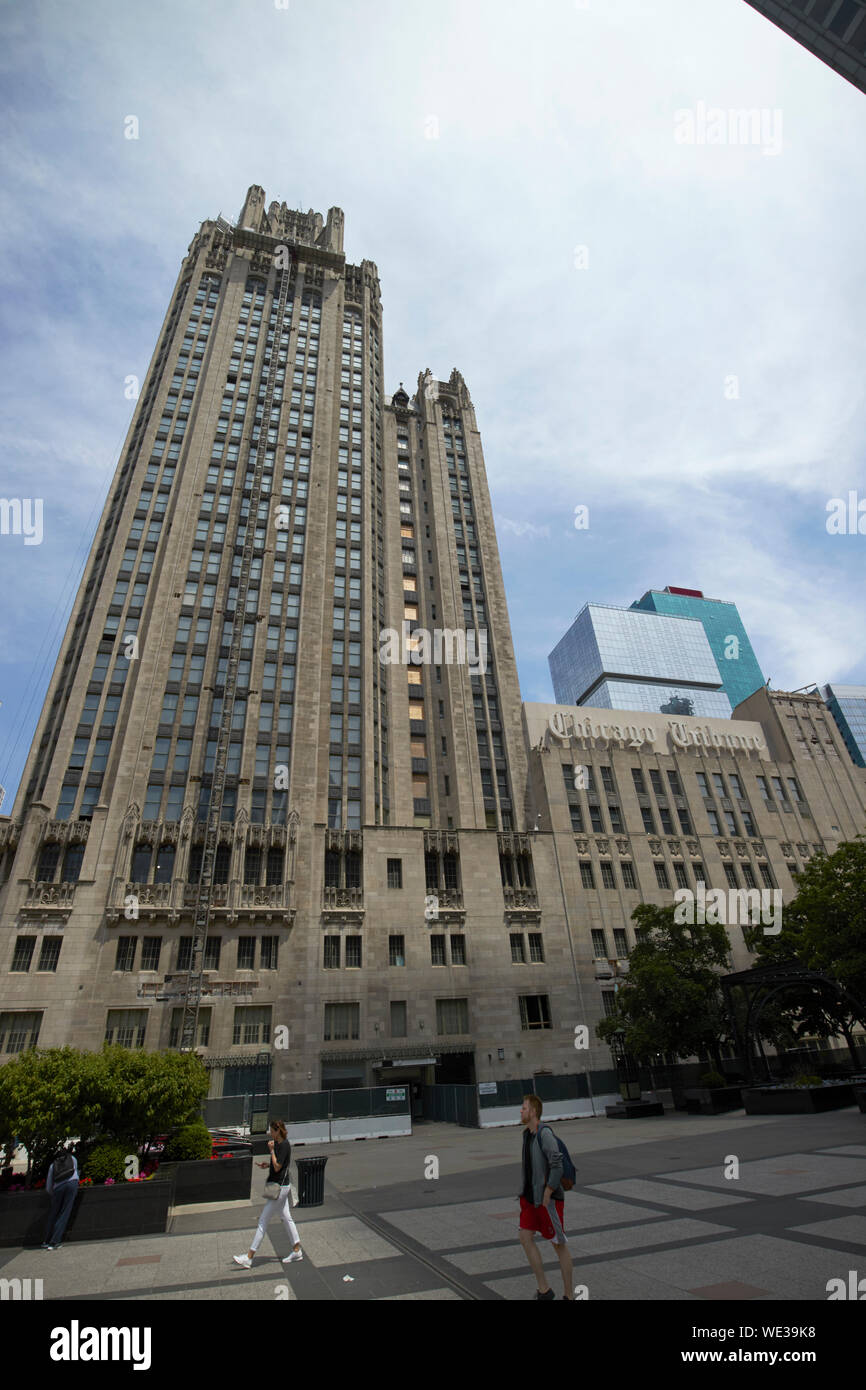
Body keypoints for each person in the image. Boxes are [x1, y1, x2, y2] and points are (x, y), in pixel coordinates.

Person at [517, 1094, 574, 1300]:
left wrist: (549, 1190)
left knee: (558, 1244)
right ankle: (544, 1290)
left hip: (548, 1200)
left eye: (523, 1108)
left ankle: (569, 1295)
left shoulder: (544, 1133)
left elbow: (556, 1164)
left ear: (533, 1111)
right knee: (525, 1237)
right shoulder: (527, 1135)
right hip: (531, 1199)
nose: (521, 1111)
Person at [233, 1120, 302, 1268]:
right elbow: (277, 1164)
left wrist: (271, 1152)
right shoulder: (278, 1144)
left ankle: (249, 1257)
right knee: (286, 1217)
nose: (270, 1133)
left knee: (263, 1221)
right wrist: (267, 1164)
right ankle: (297, 1249)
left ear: (278, 1131)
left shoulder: (283, 1145)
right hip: (281, 1186)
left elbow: (278, 1167)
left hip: (280, 1188)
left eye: (272, 1130)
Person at [41, 1143, 79, 1250]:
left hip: (58, 1188)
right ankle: (55, 1241)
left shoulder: (53, 1165)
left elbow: (49, 1185)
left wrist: (52, 1193)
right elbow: (76, 1171)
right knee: (64, 1212)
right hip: (72, 1184)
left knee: (54, 1213)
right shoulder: (72, 1159)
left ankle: (46, 1240)